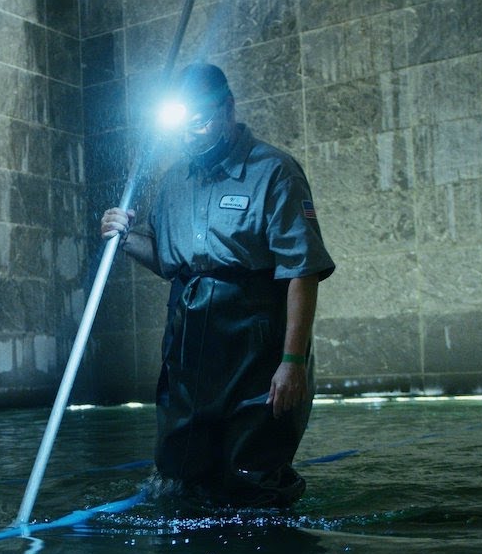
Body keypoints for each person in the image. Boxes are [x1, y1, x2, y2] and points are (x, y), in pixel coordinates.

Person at [100, 62, 334, 507]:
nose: (192, 132)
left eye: (202, 119)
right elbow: (172, 264)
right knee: (178, 476)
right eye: (183, 123)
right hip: (187, 345)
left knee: (252, 476)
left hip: (254, 342)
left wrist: (292, 361)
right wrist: (124, 239)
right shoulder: (174, 182)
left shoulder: (274, 170)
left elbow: (302, 269)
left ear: (228, 109)